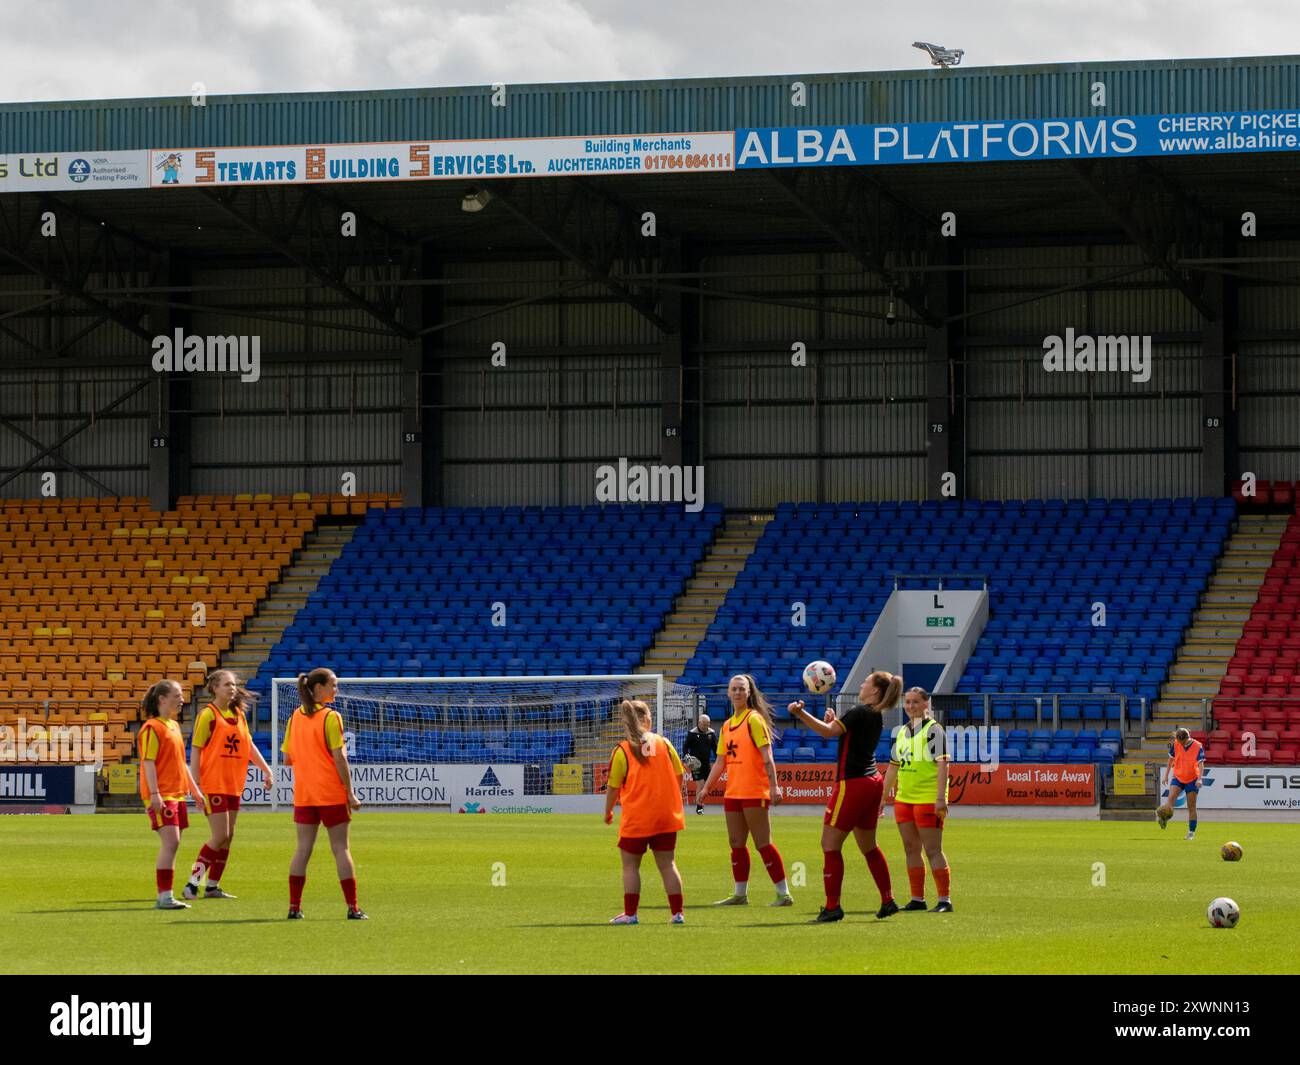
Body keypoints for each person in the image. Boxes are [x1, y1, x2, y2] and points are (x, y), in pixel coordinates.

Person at [788, 670, 901, 921]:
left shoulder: (860, 711)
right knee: (869, 847)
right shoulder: (874, 714)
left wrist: (800, 713)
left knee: (829, 845)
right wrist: (836, 720)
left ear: (875, 691)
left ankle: (832, 907)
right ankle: (888, 899)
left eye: (866, 682)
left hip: (853, 783)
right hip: (872, 782)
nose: (861, 684)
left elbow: (828, 733)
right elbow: (844, 732)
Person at [698, 674, 792, 906]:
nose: (738, 692)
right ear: (728, 693)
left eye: (742, 689)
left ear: (749, 693)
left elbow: (767, 756)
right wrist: (706, 788)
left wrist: (774, 786)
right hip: (734, 793)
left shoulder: (754, 720)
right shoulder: (727, 726)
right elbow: (720, 762)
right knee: (736, 843)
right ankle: (740, 894)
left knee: (763, 843)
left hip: (754, 791)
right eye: (734, 689)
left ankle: (784, 893)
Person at [182, 670, 275, 900]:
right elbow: (196, 748)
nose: (232, 688)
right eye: (226, 685)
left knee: (228, 836)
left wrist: (266, 769)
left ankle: (212, 886)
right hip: (213, 783)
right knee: (220, 835)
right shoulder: (208, 715)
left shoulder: (238, 714)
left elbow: (249, 745)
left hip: (233, 784)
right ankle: (192, 884)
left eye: (233, 684)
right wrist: (196, 784)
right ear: (214, 688)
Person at [282, 668, 365, 919]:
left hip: (305, 794)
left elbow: (287, 758)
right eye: (333, 685)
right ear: (319, 688)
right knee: (341, 849)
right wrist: (350, 792)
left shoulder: (294, 717)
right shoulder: (331, 717)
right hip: (329, 792)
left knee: (302, 849)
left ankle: (294, 908)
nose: (336, 690)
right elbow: (340, 757)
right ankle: (353, 907)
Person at [603, 699, 691, 924]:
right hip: (666, 815)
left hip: (638, 816)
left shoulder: (622, 750)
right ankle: (677, 913)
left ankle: (631, 914)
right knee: (668, 864)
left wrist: (608, 812)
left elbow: (613, 787)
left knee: (631, 866)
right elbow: (679, 774)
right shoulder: (664, 743)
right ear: (648, 720)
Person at [881, 687, 953, 913]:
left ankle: (944, 900)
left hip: (927, 799)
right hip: (904, 799)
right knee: (911, 849)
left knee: (933, 850)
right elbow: (893, 767)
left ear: (926, 704)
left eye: (915, 702)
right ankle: (917, 899)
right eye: (908, 702)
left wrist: (940, 798)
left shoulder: (934, 730)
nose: (910, 706)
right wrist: (882, 798)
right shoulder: (902, 731)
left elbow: (943, 764)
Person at [138, 680, 205, 910]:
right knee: (172, 842)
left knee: (174, 844)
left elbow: (181, 763)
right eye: (177, 695)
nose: (182, 699)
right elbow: (148, 762)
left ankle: (166, 895)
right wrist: (155, 793)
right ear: (162, 699)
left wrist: (195, 791)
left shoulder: (174, 726)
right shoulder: (151, 728)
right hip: (162, 794)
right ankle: (164, 896)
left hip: (176, 794)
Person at [1157, 727, 1205, 840]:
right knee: (1170, 799)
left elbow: (1201, 764)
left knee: (1191, 806)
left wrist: (1200, 778)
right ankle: (1163, 818)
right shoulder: (1176, 743)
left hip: (1192, 778)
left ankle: (1191, 832)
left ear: (1187, 738)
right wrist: (1165, 775)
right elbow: (1170, 760)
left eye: (1182, 742)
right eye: (1179, 741)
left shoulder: (1198, 746)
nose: (1181, 744)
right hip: (1178, 776)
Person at [681, 713, 717, 814]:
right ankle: (699, 807)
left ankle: (699, 802)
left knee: (705, 786)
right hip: (695, 764)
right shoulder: (692, 733)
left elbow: (715, 748)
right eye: (704, 724)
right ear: (699, 723)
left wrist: (718, 759)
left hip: (706, 763)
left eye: (708, 724)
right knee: (700, 784)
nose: (706, 727)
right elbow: (685, 747)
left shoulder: (711, 733)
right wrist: (687, 756)